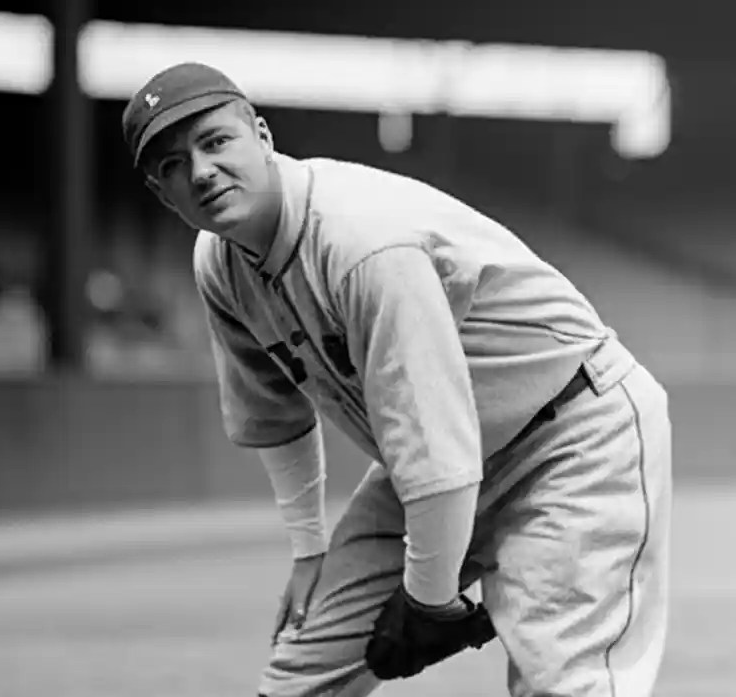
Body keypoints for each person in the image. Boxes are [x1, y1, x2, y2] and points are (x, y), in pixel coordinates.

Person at [121, 61, 673, 696]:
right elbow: (275, 413)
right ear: (163, 194)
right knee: (299, 679)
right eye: (171, 164)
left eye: (216, 141)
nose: (200, 171)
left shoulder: (361, 243)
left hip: (573, 438)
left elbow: (435, 448)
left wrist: (428, 603)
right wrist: (309, 552)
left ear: (263, 137)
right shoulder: (219, 264)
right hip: (441, 463)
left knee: (562, 682)